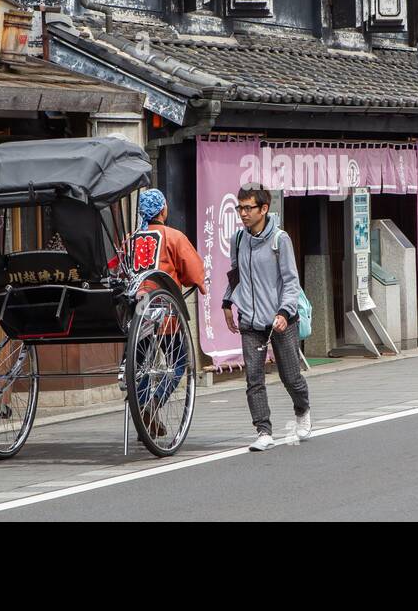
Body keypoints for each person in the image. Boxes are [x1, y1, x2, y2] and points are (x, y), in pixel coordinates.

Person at [222, 185, 311, 451]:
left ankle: (303, 409)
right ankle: (263, 430)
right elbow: (235, 274)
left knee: (291, 376)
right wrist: (227, 303)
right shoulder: (238, 239)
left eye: (248, 208)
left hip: (280, 320)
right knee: (254, 378)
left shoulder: (279, 239)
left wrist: (284, 312)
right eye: (240, 207)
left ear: (264, 209)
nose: (243, 213)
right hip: (250, 320)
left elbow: (291, 282)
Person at [131, 189, 206, 437]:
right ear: (163, 210)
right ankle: (155, 400)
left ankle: (141, 406)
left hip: (136, 314)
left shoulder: (131, 239)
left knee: (138, 365)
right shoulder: (173, 236)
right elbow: (193, 273)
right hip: (165, 315)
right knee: (179, 361)